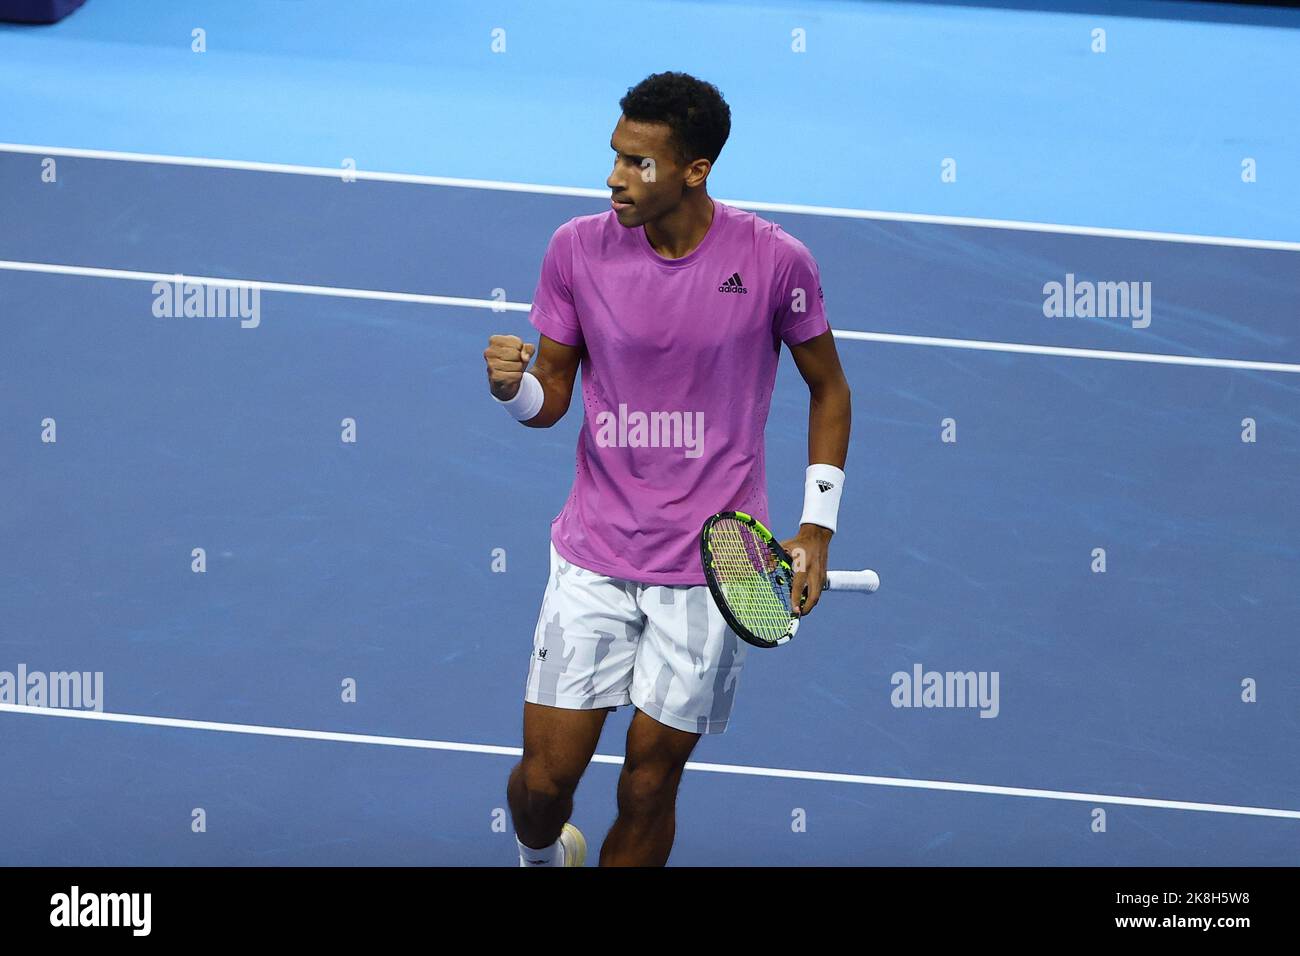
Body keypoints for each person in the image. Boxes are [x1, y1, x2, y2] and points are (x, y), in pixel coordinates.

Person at [483, 71, 852, 866]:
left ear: (695, 171)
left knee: (649, 786)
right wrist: (513, 391)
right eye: (615, 156)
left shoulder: (775, 261)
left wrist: (816, 526)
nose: (615, 176)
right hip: (595, 555)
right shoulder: (575, 249)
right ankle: (545, 857)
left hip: (714, 565)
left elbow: (829, 387)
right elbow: (551, 400)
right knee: (543, 785)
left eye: (639, 164)